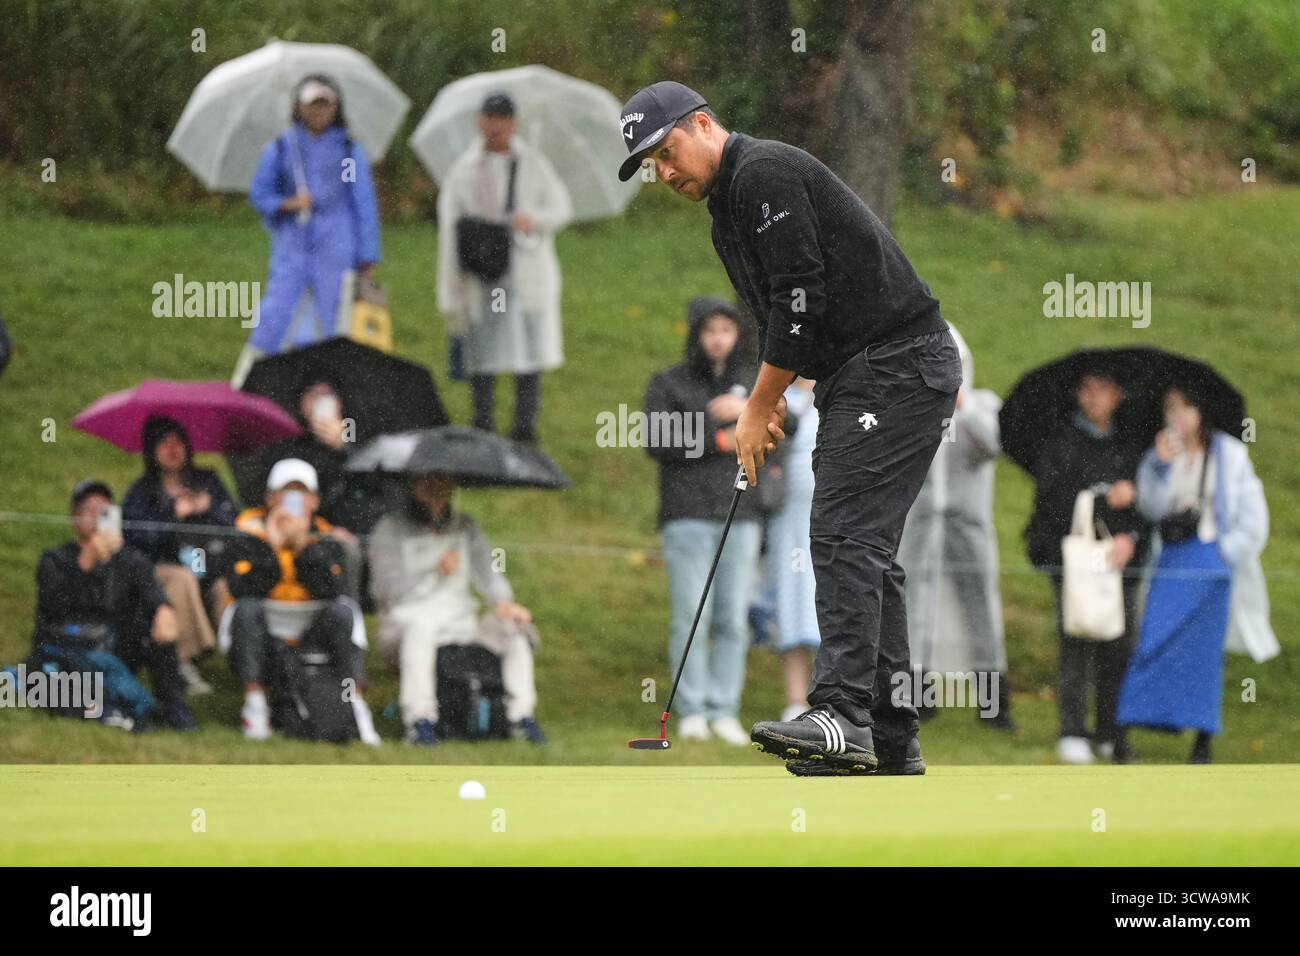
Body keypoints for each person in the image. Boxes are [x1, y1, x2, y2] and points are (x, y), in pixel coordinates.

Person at [619, 82, 960, 775]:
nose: (664, 171)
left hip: (897, 362)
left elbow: (802, 298)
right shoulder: (726, 215)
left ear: (704, 125)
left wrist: (756, 403)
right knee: (866, 548)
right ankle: (891, 737)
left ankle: (840, 713)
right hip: (864, 373)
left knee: (841, 533)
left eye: (666, 151)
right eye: (650, 165)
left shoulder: (764, 173)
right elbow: (784, 318)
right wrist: (771, 399)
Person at [1117, 385, 1277, 763]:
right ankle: (1124, 733)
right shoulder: (1159, 454)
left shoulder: (1231, 456)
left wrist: (1225, 552)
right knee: (1153, 642)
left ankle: (1202, 740)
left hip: (1211, 563)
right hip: (1171, 560)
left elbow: (1254, 518)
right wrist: (1158, 465)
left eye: (1187, 407)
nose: (1179, 416)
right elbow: (1151, 508)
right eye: (1171, 408)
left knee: (1202, 656)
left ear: (1202, 412)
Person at [643, 297, 768, 745]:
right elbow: (656, 438)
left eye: (726, 330)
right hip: (686, 516)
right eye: (709, 330)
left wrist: (747, 413)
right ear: (696, 335)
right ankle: (691, 709)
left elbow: (778, 431)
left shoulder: (753, 387)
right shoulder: (669, 383)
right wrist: (719, 435)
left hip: (742, 515)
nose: (718, 339)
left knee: (733, 618)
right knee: (690, 615)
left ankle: (723, 709)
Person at [1023, 371, 1148, 764]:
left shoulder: (1130, 443)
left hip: (1118, 561)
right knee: (1076, 639)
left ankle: (1113, 733)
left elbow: (1146, 508)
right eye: (1087, 390)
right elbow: (1052, 501)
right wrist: (1099, 496)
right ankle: (1073, 731)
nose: (1093, 398)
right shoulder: (1061, 441)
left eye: (1103, 390)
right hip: (1073, 559)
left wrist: (1131, 531)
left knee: (1119, 643)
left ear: (1118, 395)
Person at [367, 473, 545, 746]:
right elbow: (387, 593)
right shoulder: (389, 530)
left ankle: (519, 717)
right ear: (413, 486)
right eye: (429, 483)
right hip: (405, 623)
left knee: (514, 630)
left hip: (463, 625)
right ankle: (420, 722)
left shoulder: (465, 527)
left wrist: (504, 603)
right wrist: (437, 573)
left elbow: (489, 572)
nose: (438, 490)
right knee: (421, 627)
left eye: (444, 484)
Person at [437, 92, 573, 443]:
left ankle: (525, 428)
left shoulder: (533, 164)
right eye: (489, 118)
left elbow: (560, 209)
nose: (495, 126)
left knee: (528, 348)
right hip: (484, 272)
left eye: (503, 118)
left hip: (526, 271)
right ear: (479, 122)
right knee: (483, 347)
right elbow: (451, 226)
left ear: (513, 124)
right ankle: (484, 425)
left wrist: (533, 220)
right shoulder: (464, 171)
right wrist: (453, 282)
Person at [895, 325, 1011, 728]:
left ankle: (993, 699)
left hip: (969, 521)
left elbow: (994, 444)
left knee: (980, 601)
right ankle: (916, 695)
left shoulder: (983, 404)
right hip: (921, 521)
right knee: (914, 602)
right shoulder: (916, 408)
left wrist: (963, 405)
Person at [232, 74, 381, 384]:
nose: (318, 112)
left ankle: (330, 387)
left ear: (336, 108)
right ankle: (253, 379)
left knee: (333, 315)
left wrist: (367, 253)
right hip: (293, 245)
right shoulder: (282, 148)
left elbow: (362, 202)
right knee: (277, 310)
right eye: (312, 105)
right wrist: (288, 204)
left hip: (337, 245)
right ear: (299, 108)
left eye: (324, 105)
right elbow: (261, 194)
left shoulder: (348, 151)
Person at [223, 459, 378, 744]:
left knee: (344, 612)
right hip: (265, 631)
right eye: (285, 493)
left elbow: (330, 590)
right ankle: (255, 706)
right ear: (270, 498)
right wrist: (272, 544)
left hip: (311, 630)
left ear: (315, 501)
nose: (293, 502)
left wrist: (303, 548)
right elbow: (244, 588)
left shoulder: (327, 539)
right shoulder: (246, 534)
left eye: (301, 494)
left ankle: (355, 705)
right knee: (245, 609)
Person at [30, 479, 196, 731]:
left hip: (114, 648)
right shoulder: (56, 559)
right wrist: (84, 564)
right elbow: (52, 607)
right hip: (67, 648)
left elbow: (153, 592)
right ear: (75, 519)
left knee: (157, 620)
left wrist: (164, 610)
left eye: (104, 509)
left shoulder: (130, 560)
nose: (97, 516)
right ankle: (120, 711)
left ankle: (172, 707)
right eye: (88, 509)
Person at [121, 415, 239, 694]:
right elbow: (137, 539)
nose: (173, 449)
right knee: (182, 579)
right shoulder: (141, 493)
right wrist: (173, 515)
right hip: (160, 569)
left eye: (178, 442)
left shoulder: (207, 481)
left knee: (225, 587)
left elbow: (235, 525)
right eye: (164, 443)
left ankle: (243, 662)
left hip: (209, 564)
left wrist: (207, 509)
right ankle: (183, 661)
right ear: (151, 450)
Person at [761, 376, 820, 722]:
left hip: (839, 519)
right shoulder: (780, 398)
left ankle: (838, 699)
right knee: (794, 603)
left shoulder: (843, 390)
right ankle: (797, 700)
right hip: (790, 520)